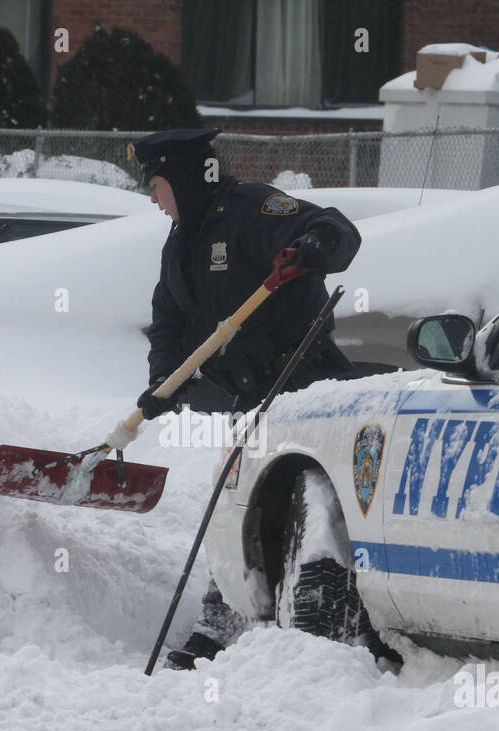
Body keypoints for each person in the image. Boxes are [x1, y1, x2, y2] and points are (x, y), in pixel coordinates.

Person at [127, 128, 362, 669]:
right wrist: (165, 379)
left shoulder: (254, 211)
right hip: (250, 401)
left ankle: (306, 623)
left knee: (304, 504)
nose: (153, 200)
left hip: (303, 389)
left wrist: (317, 244)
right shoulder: (180, 241)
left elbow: (336, 228)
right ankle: (229, 616)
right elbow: (170, 318)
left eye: (157, 185)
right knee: (243, 502)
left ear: (181, 180)